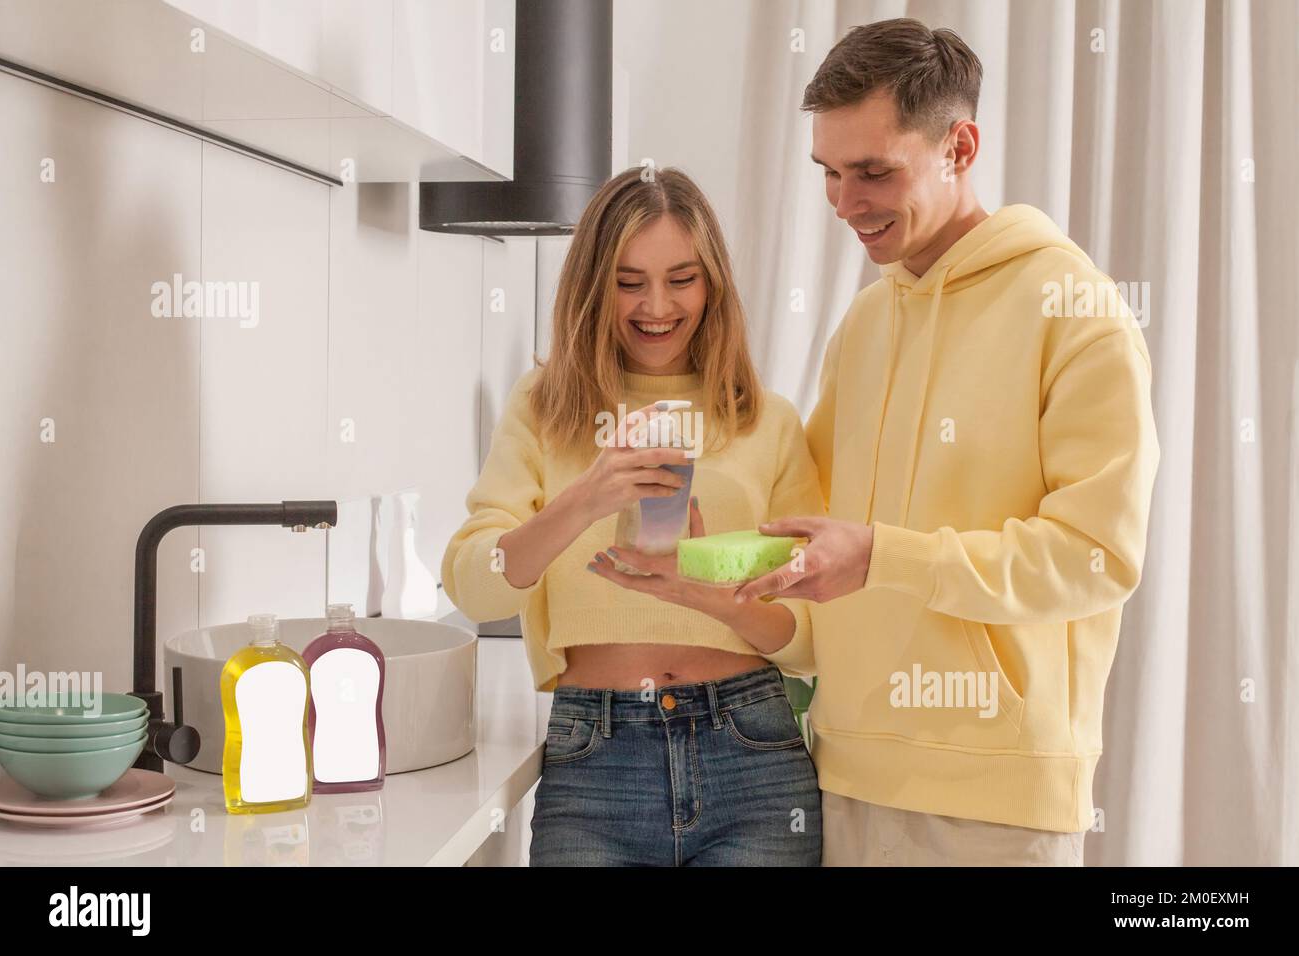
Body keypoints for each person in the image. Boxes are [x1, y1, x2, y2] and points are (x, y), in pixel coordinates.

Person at [735, 18, 1161, 866]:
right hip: (846, 778)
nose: (846, 203)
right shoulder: (863, 324)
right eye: (828, 172)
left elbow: (1095, 558)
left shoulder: (1075, 309)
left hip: (994, 808)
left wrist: (886, 558)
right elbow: (821, 568)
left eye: (873, 171)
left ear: (959, 147)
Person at [441, 166, 825, 866]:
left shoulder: (767, 420)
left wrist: (717, 596)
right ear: (592, 286)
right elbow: (474, 582)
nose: (657, 306)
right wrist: (587, 497)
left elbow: (812, 636)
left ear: (714, 284)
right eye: (628, 281)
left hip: (752, 754)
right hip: (596, 760)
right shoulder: (544, 406)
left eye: (682, 278)